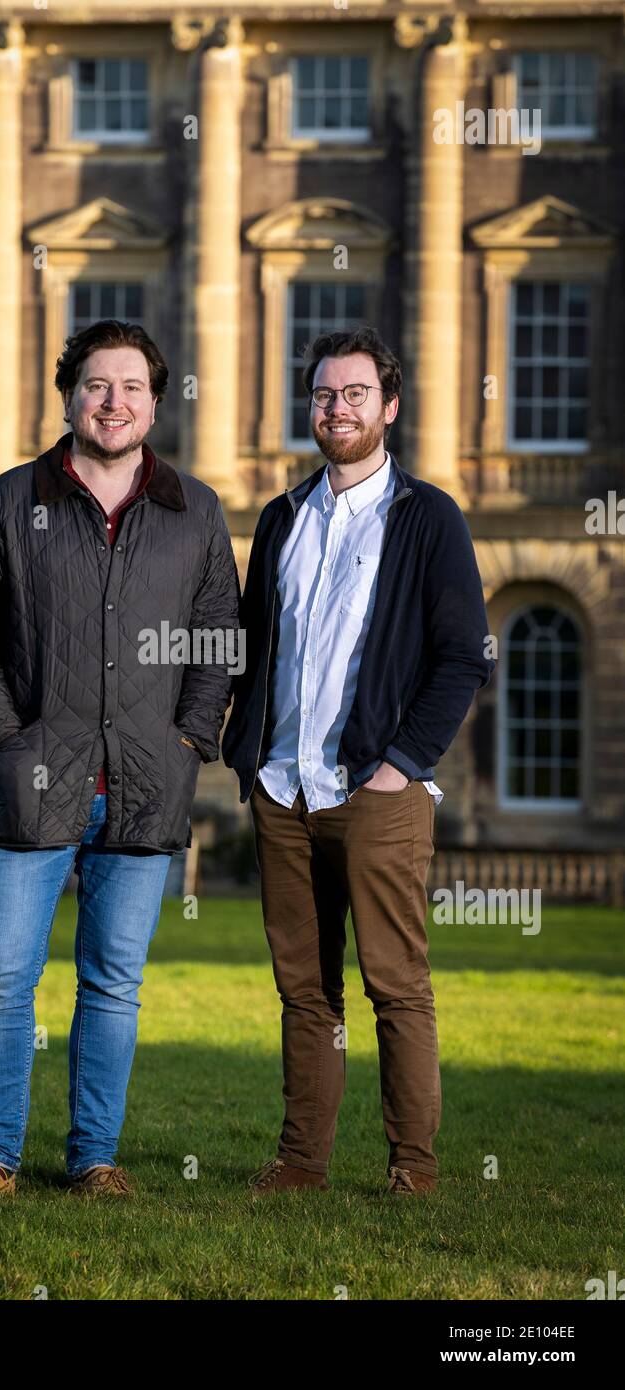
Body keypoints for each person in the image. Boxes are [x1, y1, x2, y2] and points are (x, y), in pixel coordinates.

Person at [0, 319, 239, 1198]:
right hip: (30, 785)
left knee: (113, 987)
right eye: (97, 385)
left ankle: (94, 1161)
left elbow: (220, 636)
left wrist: (191, 740)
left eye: (132, 387)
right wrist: (1, 737)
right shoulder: (9, 499)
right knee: (2, 983)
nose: (114, 402)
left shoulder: (196, 511)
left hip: (146, 787)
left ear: (155, 400)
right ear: (69, 395)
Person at [221, 326, 494, 1197]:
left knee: (395, 987)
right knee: (305, 993)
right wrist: (245, 755)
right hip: (283, 788)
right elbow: (254, 648)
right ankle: (301, 1163)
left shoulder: (428, 518)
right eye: (325, 395)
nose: (338, 409)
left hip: (378, 791)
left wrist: (402, 760)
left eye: (356, 395)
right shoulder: (281, 519)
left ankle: (412, 1167)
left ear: (390, 406)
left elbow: (464, 656)